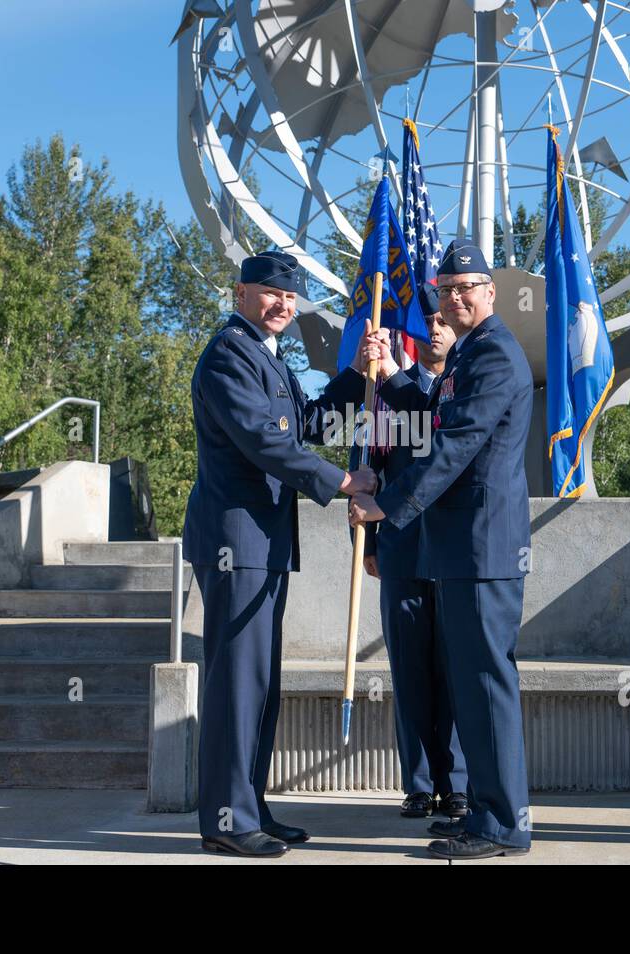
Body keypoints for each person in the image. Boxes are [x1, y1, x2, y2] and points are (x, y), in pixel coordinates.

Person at [183, 249, 386, 858]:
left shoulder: (268, 357)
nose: (283, 306)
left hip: (263, 544)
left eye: (292, 299)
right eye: (271, 294)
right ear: (240, 293)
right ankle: (226, 820)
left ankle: (249, 808)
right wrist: (343, 482)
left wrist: (356, 373)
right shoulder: (227, 354)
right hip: (235, 542)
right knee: (237, 685)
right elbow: (263, 442)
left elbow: (310, 425)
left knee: (261, 686)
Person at [349, 240, 534, 860]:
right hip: (459, 550)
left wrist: (387, 503)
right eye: (447, 287)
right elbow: (428, 418)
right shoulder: (469, 356)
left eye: (467, 287)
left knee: (485, 686)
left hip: (482, 550)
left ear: (490, 293)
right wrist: (393, 374)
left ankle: (504, 823)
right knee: (471, 685)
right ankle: (484, 811)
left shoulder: (495, 357)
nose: (454, 297)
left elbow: (452, 446)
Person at [352, 281, 468, 820]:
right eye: (429, 321)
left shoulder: (461, 384)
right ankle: (420, 784)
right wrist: (373, 540)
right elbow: (372, 471)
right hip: (400, 549)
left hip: (451, 553)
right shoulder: (384, 396)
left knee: (456, 669)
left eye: (443, 318)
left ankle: (459, 782)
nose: (438, 326)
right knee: (410, 671)